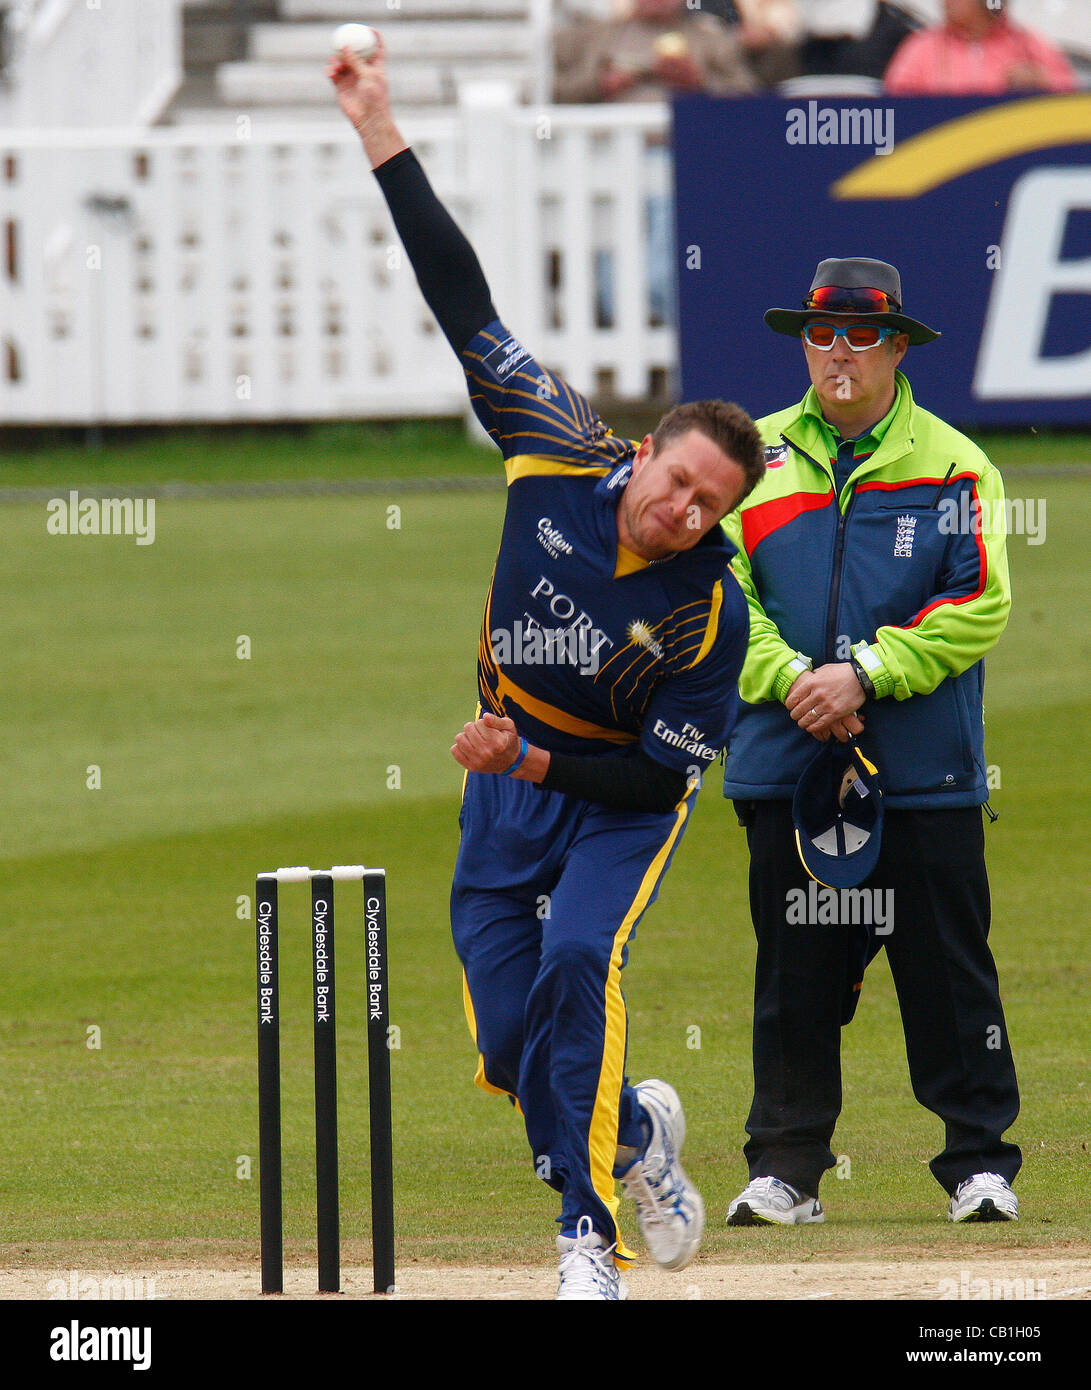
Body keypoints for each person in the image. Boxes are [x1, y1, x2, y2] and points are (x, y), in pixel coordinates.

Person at [328, 38, 767, 1298]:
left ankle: (586, 1236)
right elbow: (462, 300)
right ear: (641, 455)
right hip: (503, 777)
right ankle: (638, 1138)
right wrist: (378, 130)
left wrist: (527, 752)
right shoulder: (556, 442)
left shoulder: (710, 620)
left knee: (581, 962)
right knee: (513, 1047)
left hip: (617, 803)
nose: (683, 512)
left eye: (708, 506)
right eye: (677, 482)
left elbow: (648, 786)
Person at [721, 257, 1022, 1227]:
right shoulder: (749, 459)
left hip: (922, 767)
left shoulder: (951, 461)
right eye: (819, 334)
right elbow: (716, 601)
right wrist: (791, 683)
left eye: (858, 336)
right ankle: (786, 1168)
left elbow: (978, 601)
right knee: (794, 973)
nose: (836, 353)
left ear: (896, 347)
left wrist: (864, 673)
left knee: (945, 972)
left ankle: (978, 1162)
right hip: (787, 765)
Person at [552, 0, 756, 105]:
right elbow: (546, 93)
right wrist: (599, 85)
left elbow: (750, 99)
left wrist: (698, 84)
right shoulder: (593, 38)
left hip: (695, 150)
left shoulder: (714, 39)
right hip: (609, 150)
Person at [884, 0, 1078, 94]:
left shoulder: (1031, 45)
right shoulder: (920, 48)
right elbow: (897, 107)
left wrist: (1043, 85)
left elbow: (1070, 106)